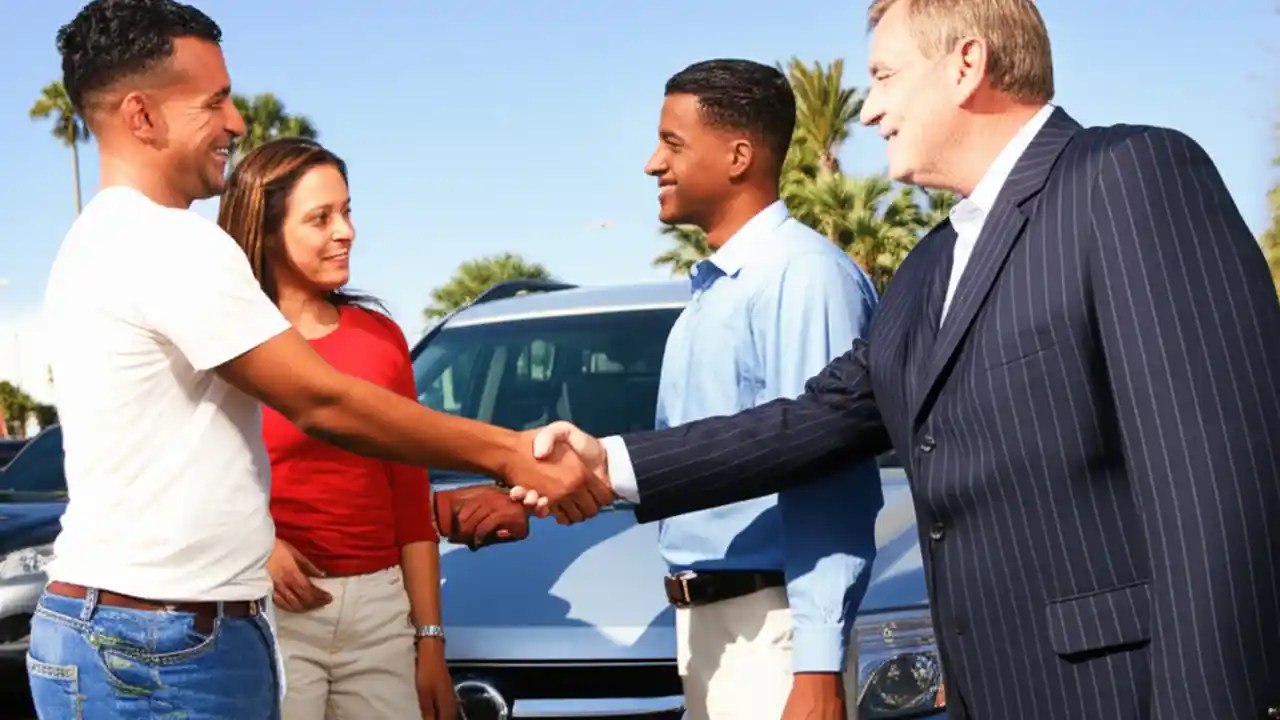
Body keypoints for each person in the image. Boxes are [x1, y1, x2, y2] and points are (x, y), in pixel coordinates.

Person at [516, 0, 1280, 718]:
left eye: (883, 77)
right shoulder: (926, 269)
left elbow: (1220, 498)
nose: (871, 109)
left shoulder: (1128, 174)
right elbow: (812, 422)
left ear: (966, 64)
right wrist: (606, 460)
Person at [30, 1, 592, 718]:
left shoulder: (93, 240)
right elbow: (322, 401)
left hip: (128, 631)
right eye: (215, 101)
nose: (235, 122)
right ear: (142, 116)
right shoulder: (170, 243)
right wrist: (512, 452)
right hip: (160, 645)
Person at [217, 137, 530, 719]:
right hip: (273, 611)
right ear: (265, 231)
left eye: (347, 210)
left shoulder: (379, 336)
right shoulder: (231, 343)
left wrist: (430, 642)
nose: (346, 231)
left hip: (382, 612)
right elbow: (195, 475)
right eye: (320, 218)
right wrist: (254, 544)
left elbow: (409, 496)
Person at [633, 59, 881, 720]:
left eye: (673, 143)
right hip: (715, 632)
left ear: (739, 155)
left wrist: (817, 667)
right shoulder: (718, 287)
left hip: (775, 636)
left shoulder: (803, 276)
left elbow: (827, 469)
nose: (653, 163)